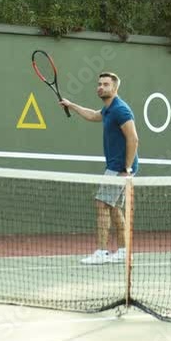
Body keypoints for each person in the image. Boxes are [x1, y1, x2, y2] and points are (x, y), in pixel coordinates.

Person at [59, 72, 139, 265]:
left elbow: (133, 139)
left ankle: (102, 252)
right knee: (112, 207)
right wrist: (71, 105)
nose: (100, 87)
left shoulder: (121, 110)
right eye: (99, 84)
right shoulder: (108, 109)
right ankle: (123, 251)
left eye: (105, 84)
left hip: (119, 167)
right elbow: (94, 115)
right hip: (117, 166)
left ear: (115, 88)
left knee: (101, 204)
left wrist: (126, 168)